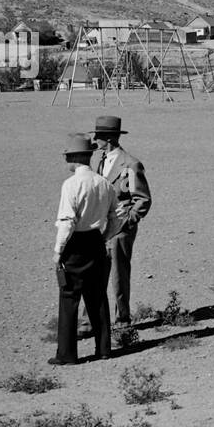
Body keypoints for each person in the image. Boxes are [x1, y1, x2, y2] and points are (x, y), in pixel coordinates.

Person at [52, 134, 121, 365]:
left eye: (67, 157)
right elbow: (117, 216)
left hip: (75, 244)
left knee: (69, 298)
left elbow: (67, 222)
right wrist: (105, 236)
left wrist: (58, 250)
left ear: (74, 157)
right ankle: (104, 349)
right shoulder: (104, 183)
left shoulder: (70, 185)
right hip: (95, 242)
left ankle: (67, 354)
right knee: (97, 297)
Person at [89, 115, 152, 327]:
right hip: (98, 226)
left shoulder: (131, 164)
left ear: (109, 138)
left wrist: (128, 221)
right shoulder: (97, 161)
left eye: (98, 137)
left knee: (118, 275)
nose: (95, 141)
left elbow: (143, 199)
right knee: (94, 273)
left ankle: (122, 318)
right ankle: (89, 319)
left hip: (120, 228)